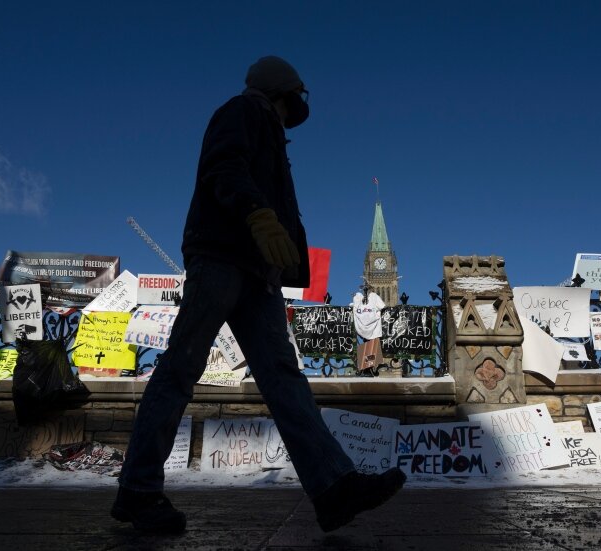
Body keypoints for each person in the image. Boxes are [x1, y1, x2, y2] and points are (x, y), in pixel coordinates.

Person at [111, 56, 406, 534]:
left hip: (257, 272)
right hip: (221, 258)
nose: (294, 115)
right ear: (281, 94)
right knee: (181, 368)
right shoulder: (242, 113)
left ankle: (332, 489)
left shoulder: (271, 131)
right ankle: (139, 490)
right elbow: (222, 167)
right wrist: (256, 213)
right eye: (293, 103)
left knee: (284, 378)